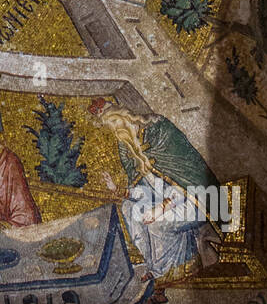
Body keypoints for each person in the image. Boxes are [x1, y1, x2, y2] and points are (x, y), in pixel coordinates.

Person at [90, 97, 220, 283]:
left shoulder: (159, 132)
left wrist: (160, 208)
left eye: (114, 123)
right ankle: (153, 265)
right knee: (130, 210)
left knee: (157, 224)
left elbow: (182, 180)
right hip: (166, 201)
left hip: (193, 199)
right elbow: (147, 189)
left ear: (123, 117)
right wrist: (120, 190)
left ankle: (175, 269)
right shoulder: (131, 149)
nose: (115, 131)